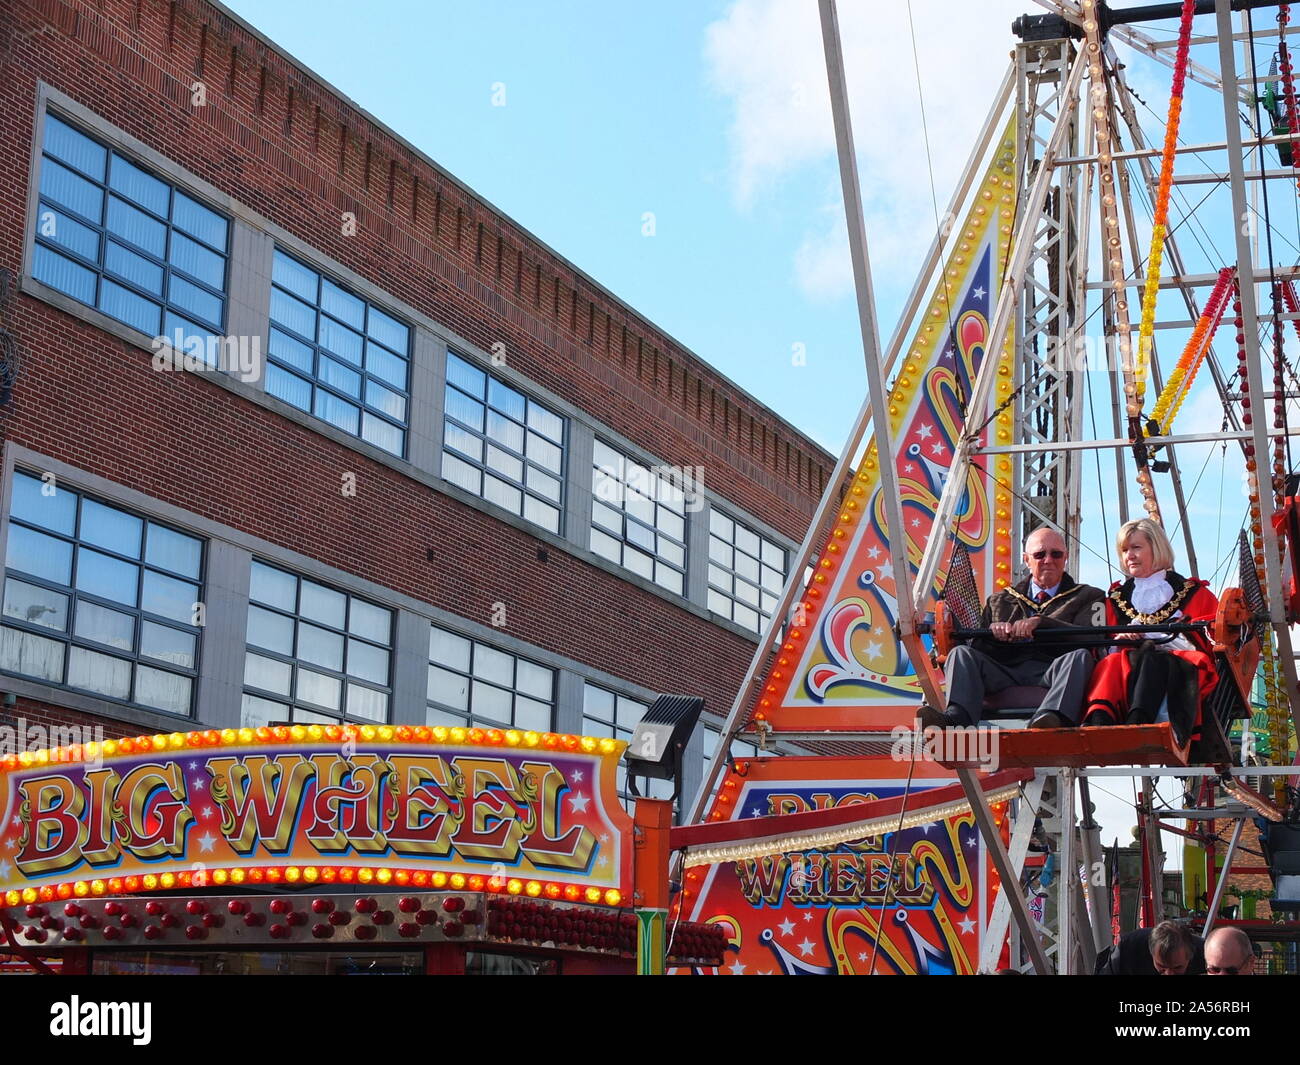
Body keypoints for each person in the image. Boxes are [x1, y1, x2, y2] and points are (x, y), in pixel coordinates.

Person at [918, 527, 1105, 730]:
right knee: (961, 654)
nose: (1048, 560)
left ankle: (1051, 717)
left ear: (1066, 557)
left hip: (1053, 669)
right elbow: (979, 651)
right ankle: (955, 716)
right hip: (1006, 671)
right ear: (1026, 560)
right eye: (1040, 554)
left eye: (1056, 554)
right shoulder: (1000, 600)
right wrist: (992, 634)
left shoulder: (1088, 596)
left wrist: (1042, 622)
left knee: (1080, 657)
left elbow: (1094, 637)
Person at [1081, 518, 1218, 746]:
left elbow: (1208, 639)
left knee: (1153, 658)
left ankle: (1140, 719)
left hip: (1180, 661)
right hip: (1130, 661)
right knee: (1110, 663)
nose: (1129, 556)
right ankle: (1099, 718)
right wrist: (1120, 639)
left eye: (1136, 547)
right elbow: (1101, 645)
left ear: (1156, 547)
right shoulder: (1114, 599)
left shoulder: (1195, 593)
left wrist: (1152, 635)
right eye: (1124, 550)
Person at [1095, 921, 1205, 975]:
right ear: (1151, 953)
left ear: (1190, 956)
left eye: (1177, 968)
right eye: (1161, 966)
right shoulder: (1126, 952)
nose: (1168, 974)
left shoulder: (1209, 956)